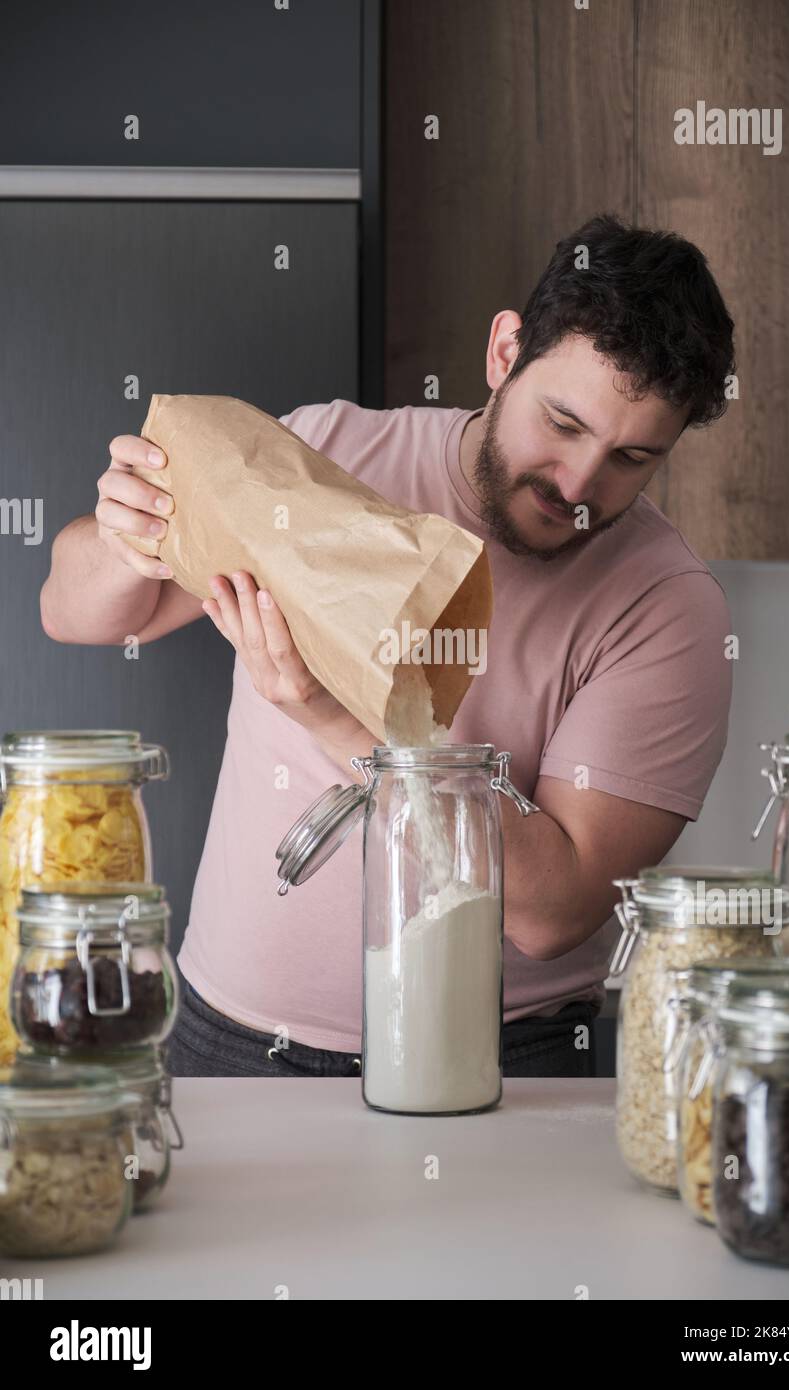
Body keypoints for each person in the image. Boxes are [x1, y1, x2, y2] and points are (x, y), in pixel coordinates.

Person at [41, 213, 735, 1079]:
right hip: (227, 1035)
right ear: (504, 353)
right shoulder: (326, 454)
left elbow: (554, 907)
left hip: (500, 1058)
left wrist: (335, 720)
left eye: (631, 457)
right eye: (562, 423)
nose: (579, 485)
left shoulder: (669, 609)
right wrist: (122, 533)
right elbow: (82, 615)